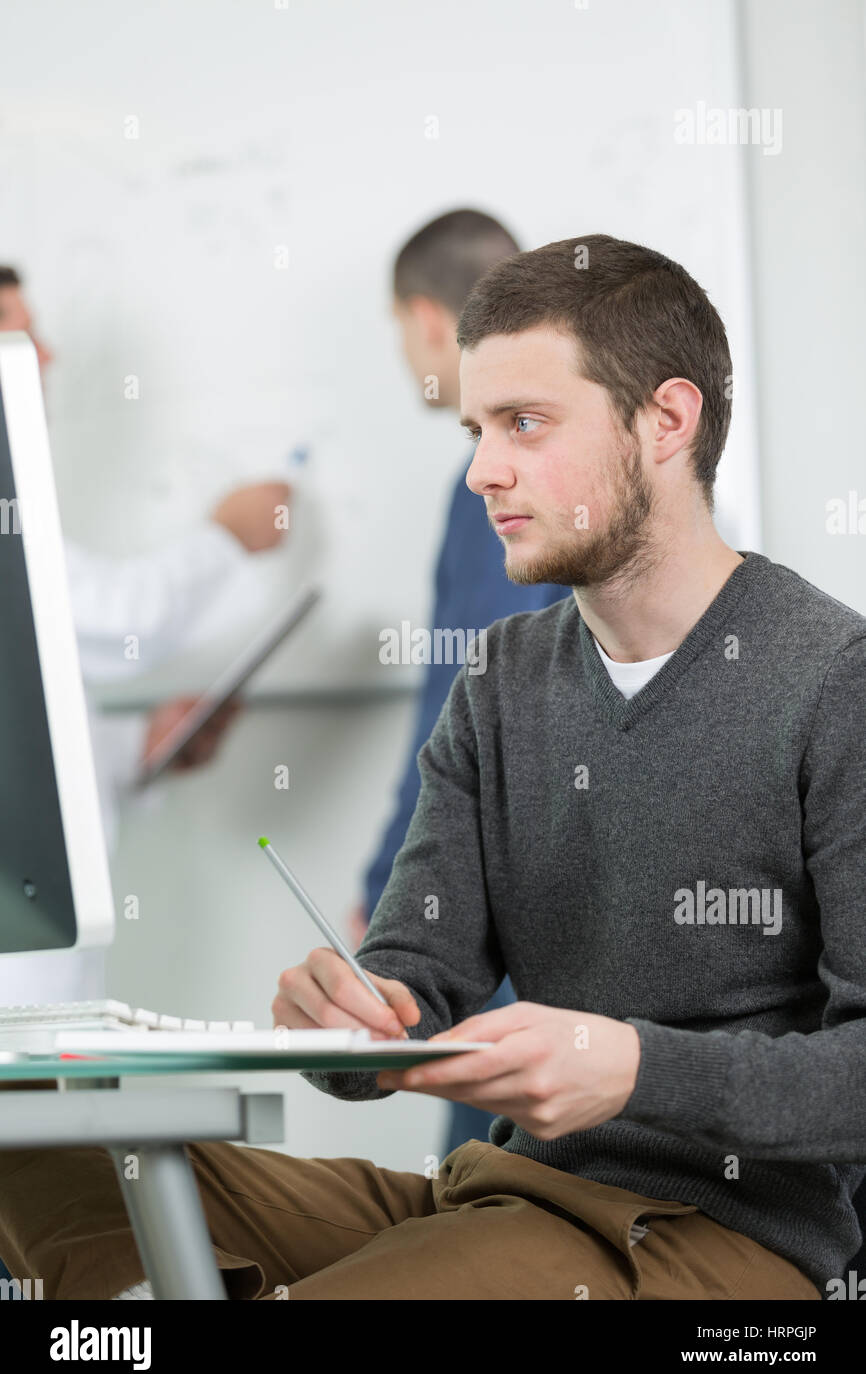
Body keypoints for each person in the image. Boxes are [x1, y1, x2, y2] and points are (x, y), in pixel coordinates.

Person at [1, 233, 863, 1301]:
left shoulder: (832, 680)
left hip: (708, 1237)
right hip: (497, 1190)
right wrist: (351, 1013)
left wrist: (635, 1067)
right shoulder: (500, 678)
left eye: (524, 424)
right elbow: (414, 979)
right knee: (41, 1159)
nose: (480, 469)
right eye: (475, 427)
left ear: (665, 422)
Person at [0, 265, 290, 1004]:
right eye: (21, 336)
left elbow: (31, 724)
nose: (49, 356)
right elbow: (119, 619)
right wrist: (226, 537)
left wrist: (137, 751)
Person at [349, 211, 571, 1152]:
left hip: (509, 891)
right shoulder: (555, 469)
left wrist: (392, 878)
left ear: (430, 321)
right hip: (558, 879)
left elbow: (468, 708)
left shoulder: (487, 488)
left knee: (489, 1184)